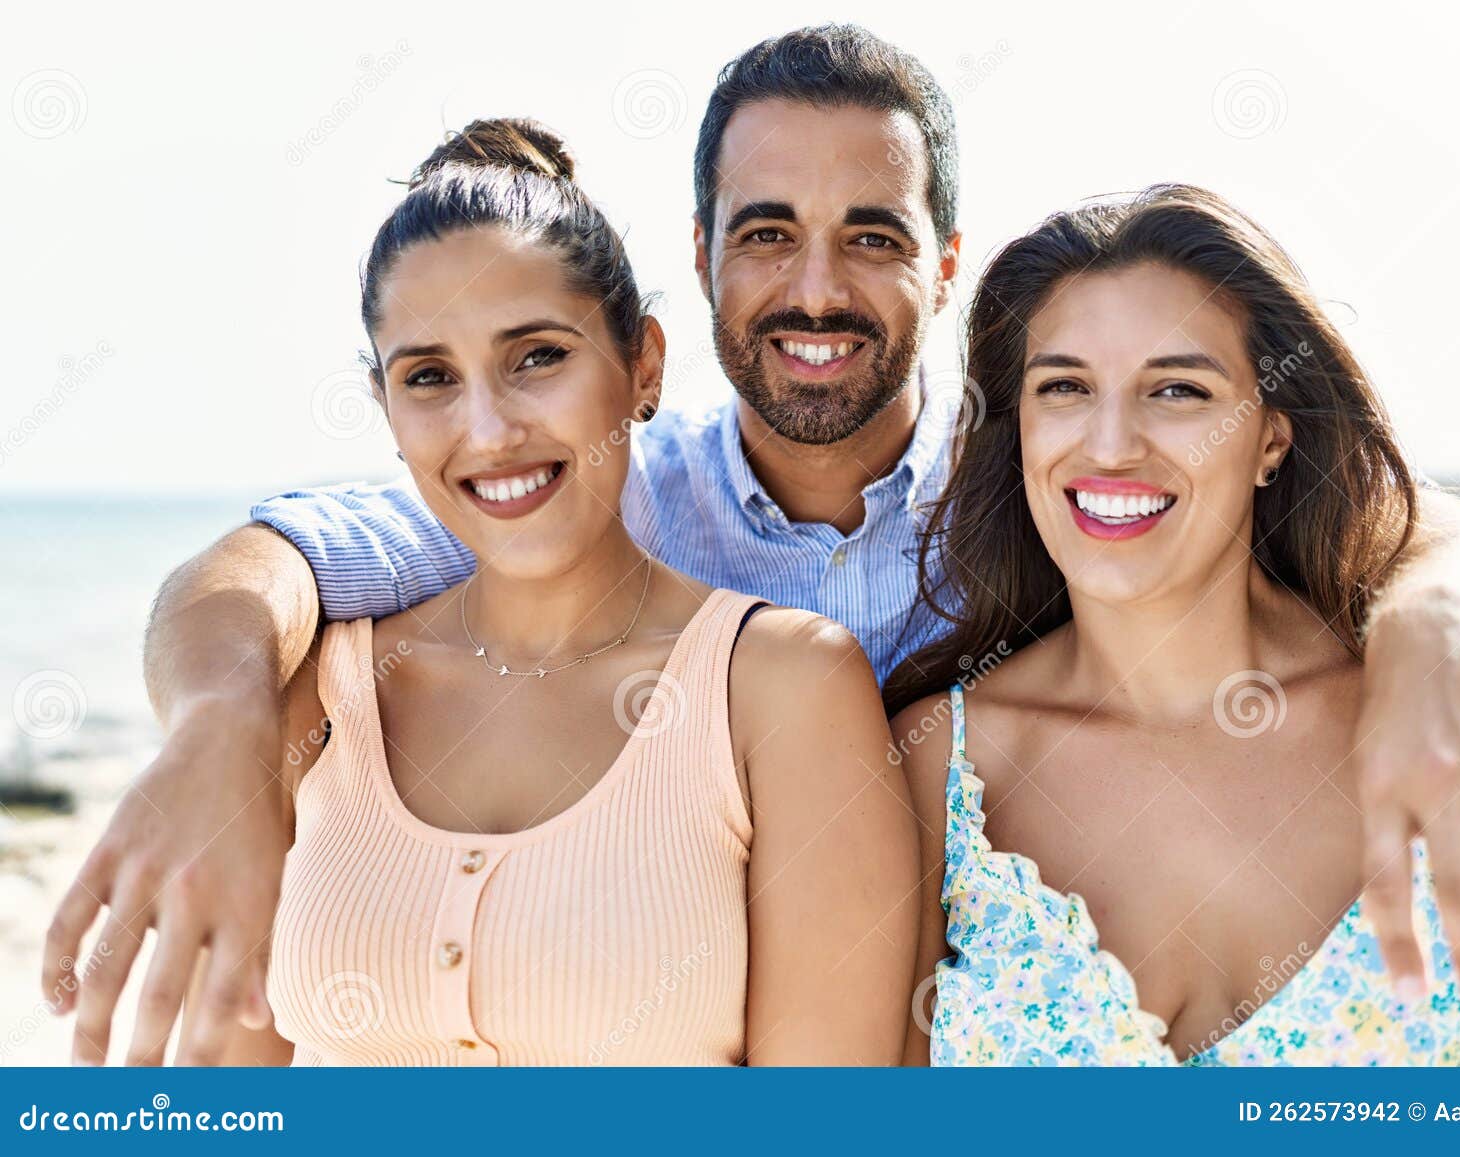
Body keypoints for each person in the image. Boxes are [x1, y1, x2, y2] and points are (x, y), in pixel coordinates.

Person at [45, 26, 1460, 1067]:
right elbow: (277, 555)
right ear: (702, 261)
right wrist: (216, 725)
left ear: (945, 260)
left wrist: (1448, 629)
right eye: (768, 230)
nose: (815, 284)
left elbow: (1409, 526)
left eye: (872, 232)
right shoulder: (584, 490)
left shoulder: (1057, 482)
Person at [174, 116, 915, 1064]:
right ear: (388, 412)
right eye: (431, 377)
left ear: (643, 366)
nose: (488, 432)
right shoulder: (318, 695)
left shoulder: (785, 689)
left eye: (538, 357)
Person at [891, 186, 1460, 1066]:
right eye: (1065, 386)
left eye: (1179, 390)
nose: (1110, 443)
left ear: (1270, 436)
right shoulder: (939, 768)